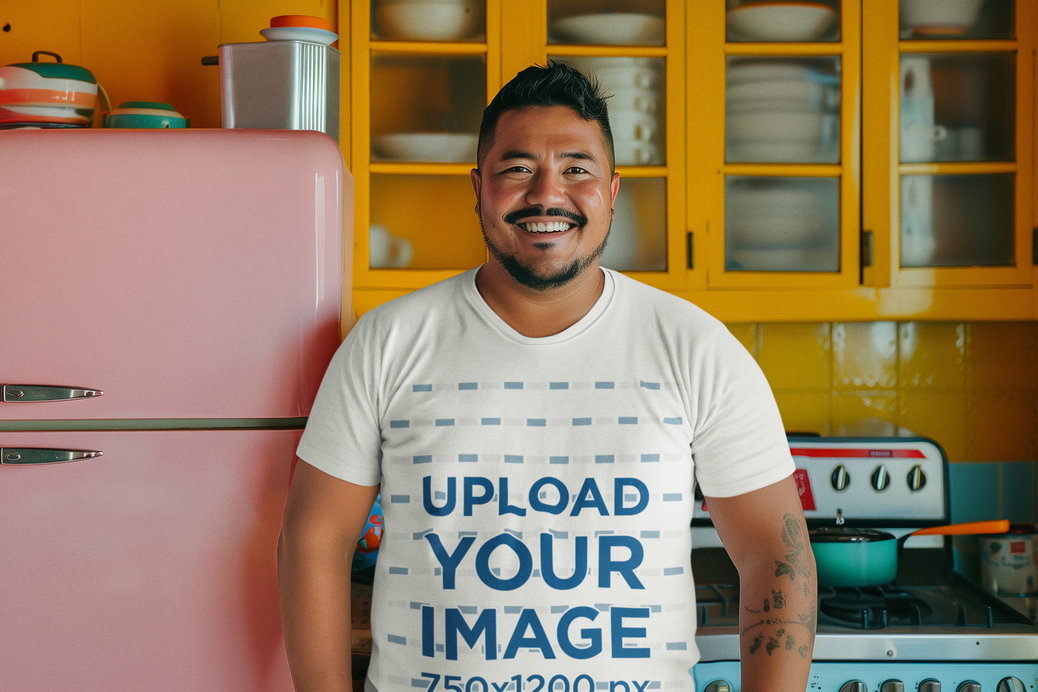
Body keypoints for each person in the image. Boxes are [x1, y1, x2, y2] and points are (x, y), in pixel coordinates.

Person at [278, 61, 816, 691]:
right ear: (479, 187)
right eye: (518, 169)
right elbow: (315, 538)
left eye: (576, 170)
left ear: (612, 191)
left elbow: (775, 553)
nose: (546, 194)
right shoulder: (388, 341)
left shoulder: (696, 348)